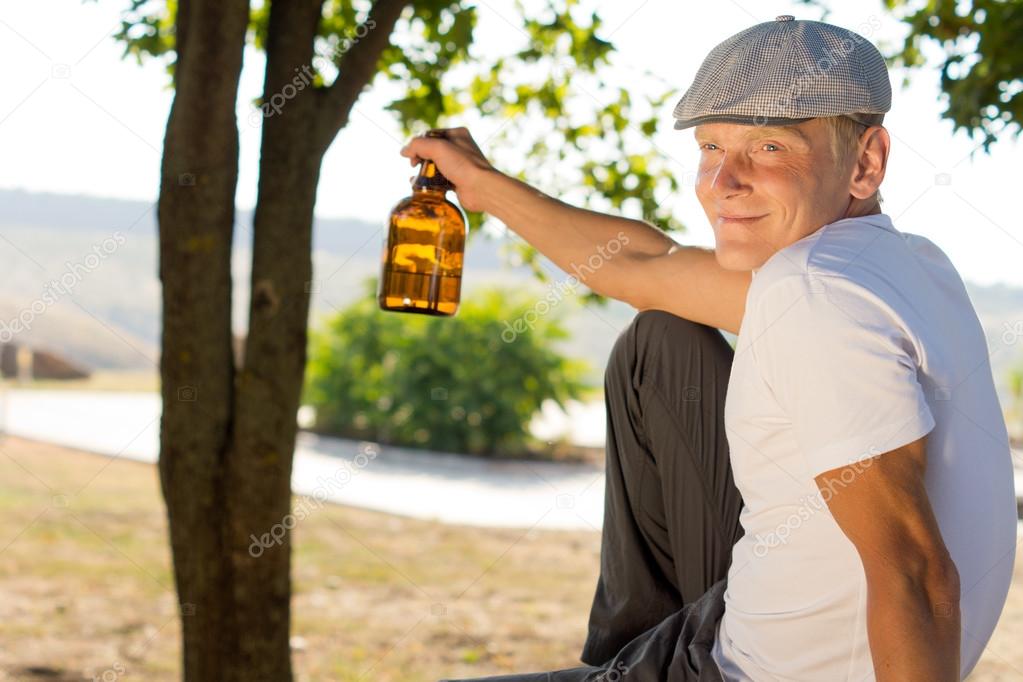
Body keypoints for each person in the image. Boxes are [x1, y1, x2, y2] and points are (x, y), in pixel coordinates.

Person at [403, 15, 1018, 682]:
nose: (722, 183)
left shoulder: (811, 293)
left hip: (738, 672)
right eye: (710, 148)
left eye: (769, 148)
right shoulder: (907, 265)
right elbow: (642, 262)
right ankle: (625, 660)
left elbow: (918, 576)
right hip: (738, 621)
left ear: (865, 162)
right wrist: (481, 184)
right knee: (659, 342)